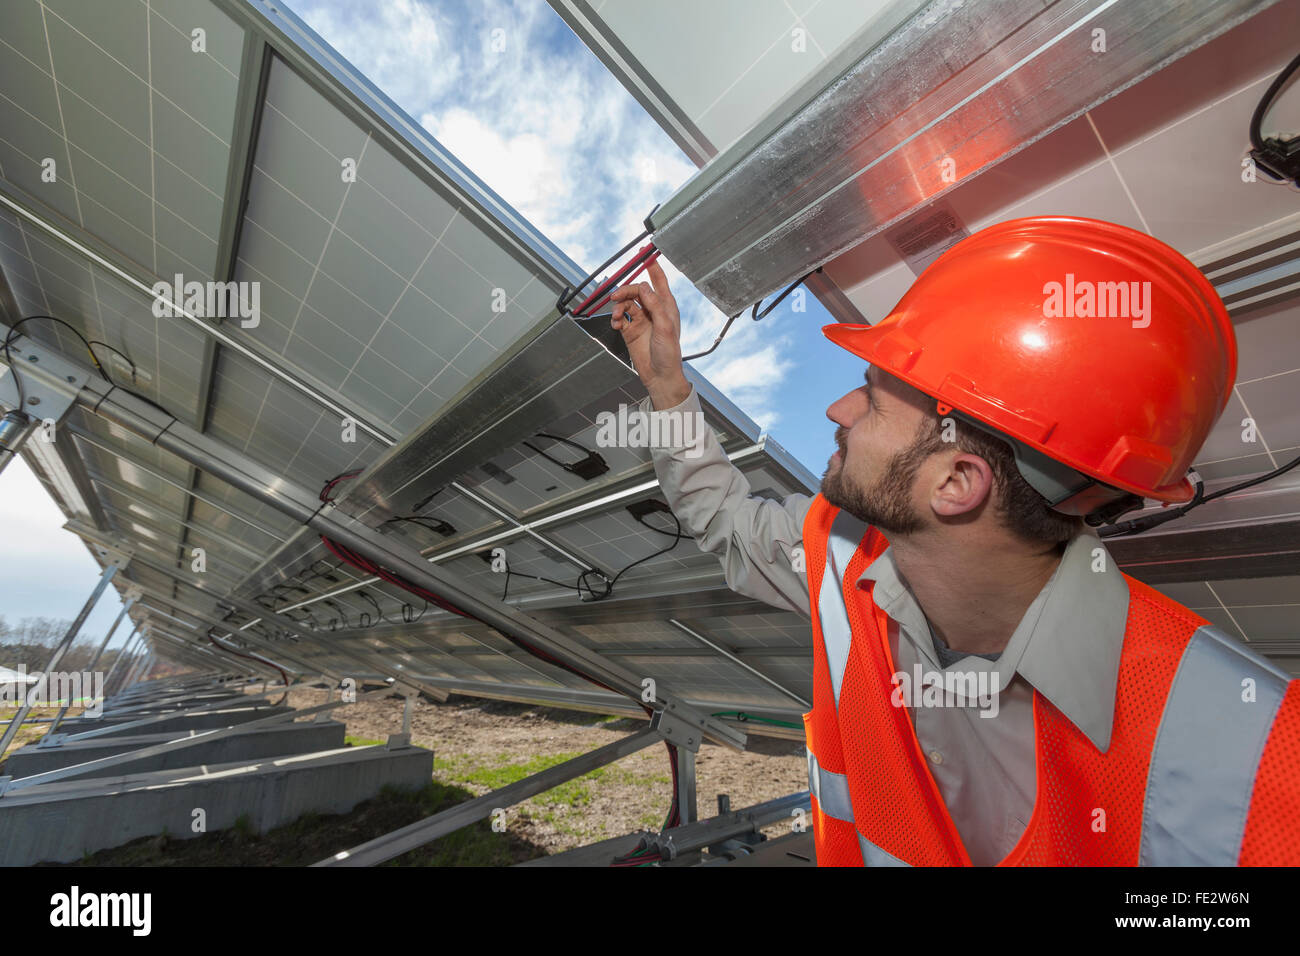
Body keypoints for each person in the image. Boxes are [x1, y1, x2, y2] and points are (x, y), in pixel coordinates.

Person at [606, 216, 1299, 866]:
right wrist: (665, 383)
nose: (836, 409)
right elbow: (725, 520)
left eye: (872, 397)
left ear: (957, 484)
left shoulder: (1259, 760)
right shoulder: (840, 552)